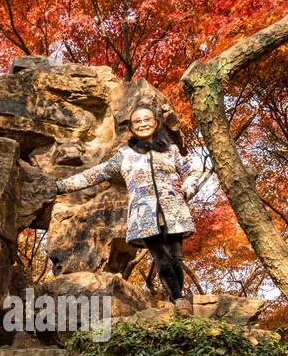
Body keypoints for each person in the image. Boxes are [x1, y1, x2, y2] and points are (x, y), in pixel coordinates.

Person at [54, 105, 197, 306]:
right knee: (161, 258)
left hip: (173, 210)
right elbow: (95, 173)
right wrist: (61, 186)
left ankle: (178, 299)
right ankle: (179, 299)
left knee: (176, 258)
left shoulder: (171, 151)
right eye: (137, 121)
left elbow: (191, 172)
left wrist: (188, 188)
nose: (143, 124)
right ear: (131, 127)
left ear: (155, 123)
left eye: (147, 119)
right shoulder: (125, 155)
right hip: (143, 214)